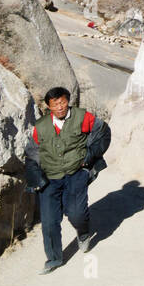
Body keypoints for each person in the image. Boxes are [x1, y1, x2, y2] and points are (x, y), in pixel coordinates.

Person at [24, 87, 111, 275]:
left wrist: (90, 155)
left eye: (63, 102)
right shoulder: (41, 126)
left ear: (68, 101)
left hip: (76, 173)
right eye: (55, 104)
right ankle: (54, 259)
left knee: (76, 213)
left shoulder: (82, 117)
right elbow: (32, 153)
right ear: (48, 106)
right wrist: (36, 177)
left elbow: (104, 132)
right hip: (49, 177)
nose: (60, 107)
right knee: (49, 221)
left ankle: (83, 231)